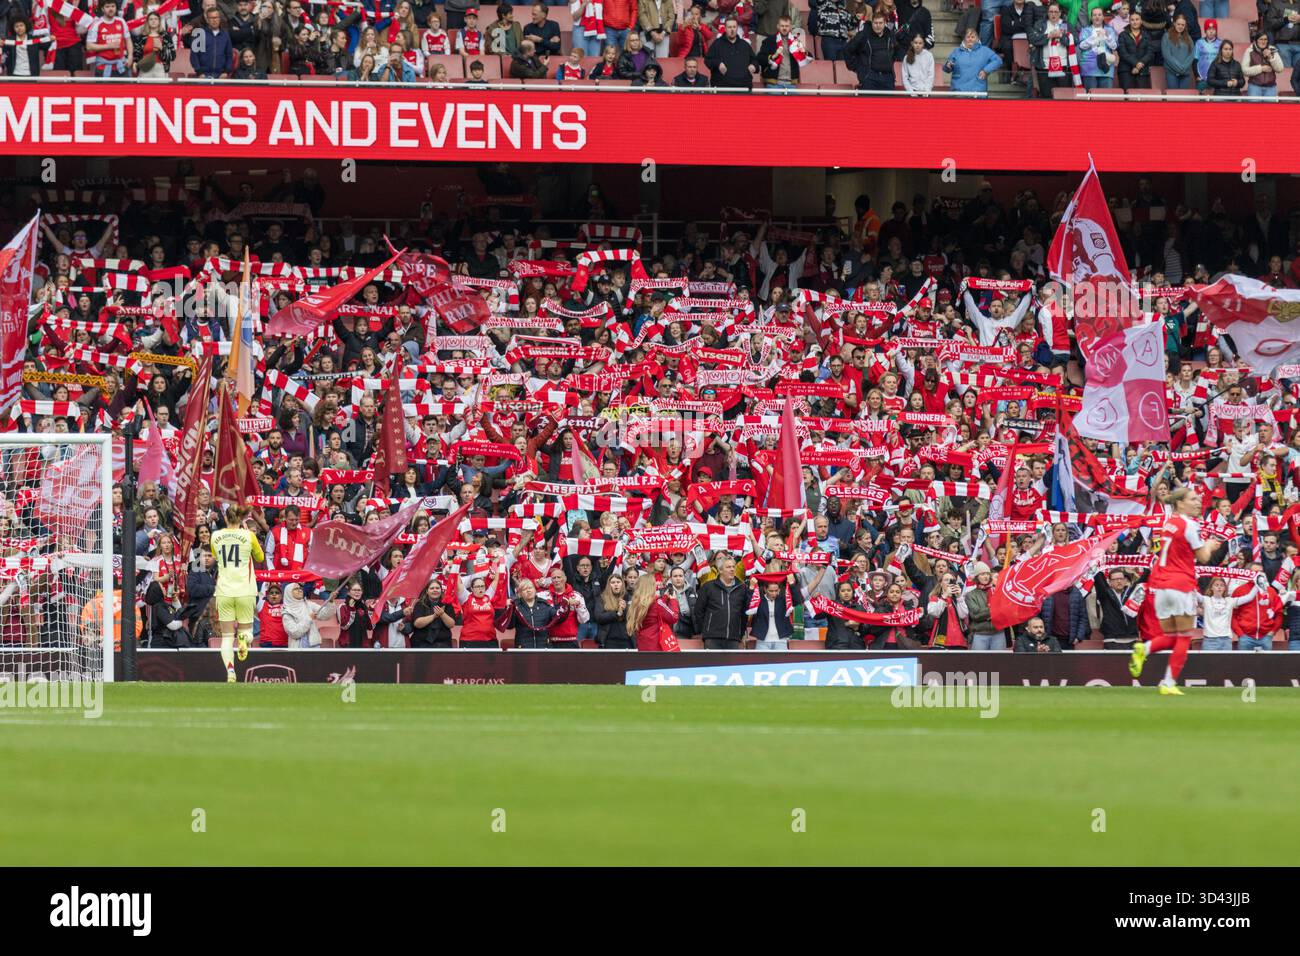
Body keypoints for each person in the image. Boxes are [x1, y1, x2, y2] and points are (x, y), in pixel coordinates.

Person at [1130, 488, 1225, 694]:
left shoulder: (1169, 523)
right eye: (1193, 499)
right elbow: (1204, 558)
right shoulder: (1189, 524)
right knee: (1184, 637)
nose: (1198, 502)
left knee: (1172, 636)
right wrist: (1209, 544)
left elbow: (1180, 552)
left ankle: (1144, 649)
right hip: (1180, 585)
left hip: (1161, 587)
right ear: (1180, 503)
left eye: (1199, 499)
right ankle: (1168, 683)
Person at [211, 505, 265, 683]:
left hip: (224, 591)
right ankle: (244, 639)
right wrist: (250, 536)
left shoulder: (216, 536)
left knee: (226, 637)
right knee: (247, 631)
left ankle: (230, 671)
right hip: (245, 590)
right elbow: (260, 558)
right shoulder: (248, 535)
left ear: (225, 519)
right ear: (241, 519)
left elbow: (216, 557)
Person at [694, 554, 750, 649]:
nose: (732, 569)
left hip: (733, 638)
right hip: (712, 638)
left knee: (731, 664)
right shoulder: (708, 587)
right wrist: (706, 630)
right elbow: (698, 611)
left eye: (733, 567)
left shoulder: (742, 587)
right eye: (728, 567)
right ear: (720, 570)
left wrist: (740, 633)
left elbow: (744, 613)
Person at [626, 574, 681, 651]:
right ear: (651, 586)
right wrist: (673, 600)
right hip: (657, 647)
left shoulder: (635, 603)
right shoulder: (657, 602)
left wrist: (664, 597)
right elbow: (674, 617)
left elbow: (653, 609)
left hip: (643, 645)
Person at [844, 12, 897, 90]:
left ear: (885, 23)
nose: (878, 25)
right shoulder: (863, 35)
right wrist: (857, 68)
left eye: (880, 23)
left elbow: (895, 52)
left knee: (888, 102)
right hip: (869, 77)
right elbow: (847, 50)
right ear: (872, 23)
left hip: (888, 77)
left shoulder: (890, 35)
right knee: (868, 102)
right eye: (875, 23)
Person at [705, 15, 759, 89]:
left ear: (737, 28)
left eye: (734, 27)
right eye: (729, 27)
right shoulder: (717, 43)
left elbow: (755, 61)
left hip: (743, 86)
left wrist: (754, 65)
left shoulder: (745, 45)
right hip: (722, 87)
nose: (732, 29)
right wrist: (718, 63)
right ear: (725, 29)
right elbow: (708, 60)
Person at [943, 27, 1003, 93]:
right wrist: (948, 66)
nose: (970, 39)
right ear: (964, 39)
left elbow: (998, 60)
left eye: (972, 37)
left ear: (977, 39)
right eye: (968, 37)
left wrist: (986, 70)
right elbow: (946, 69)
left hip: (977, 91)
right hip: (958, 91)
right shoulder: (956, 51)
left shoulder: (985, 50)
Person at [409, 580, 460, 647]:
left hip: (443, 644)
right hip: (422, 644)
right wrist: (433, 616)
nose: (435, 590)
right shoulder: (420, 604)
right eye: (432, 588)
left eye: (437, 588)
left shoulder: (447, 604)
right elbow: (417, 623)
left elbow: (451, 624)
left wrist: (442, 614)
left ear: (441, 590)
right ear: (427, 591)